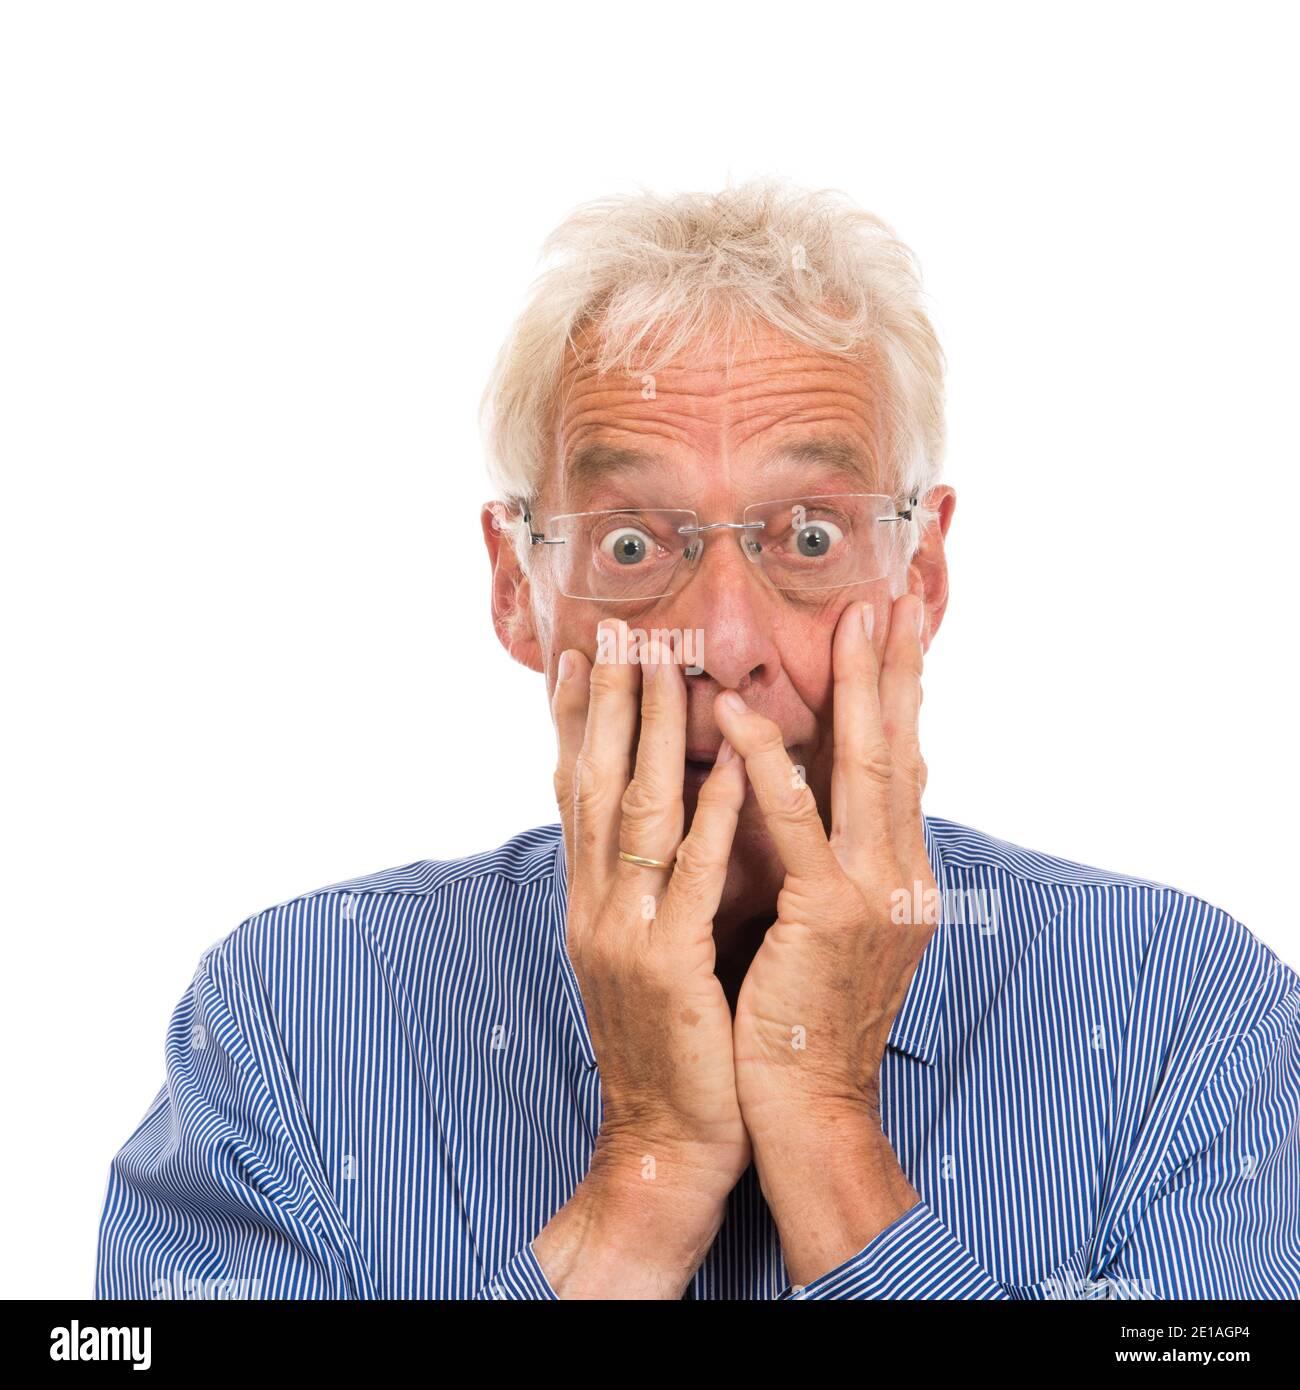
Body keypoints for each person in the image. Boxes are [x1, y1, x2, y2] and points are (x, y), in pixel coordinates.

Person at [96, 181, 1300, 1300]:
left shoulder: (1187, 1014)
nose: (724, 643)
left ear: (921, 574)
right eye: (631, 545)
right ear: (518, 591)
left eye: (810, 536)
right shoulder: (291, 1022)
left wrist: (828, 1129)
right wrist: (645, 1177)